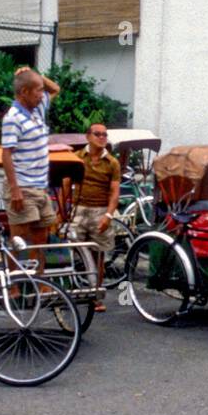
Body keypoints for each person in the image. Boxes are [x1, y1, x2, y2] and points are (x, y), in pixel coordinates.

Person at [1, 65, 61, 261]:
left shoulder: (38, 110)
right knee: (19, 240)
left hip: (40, 187)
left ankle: (41, 284)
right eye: (37, 90)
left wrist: (35, 75)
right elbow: (6, 154)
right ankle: (14, 286)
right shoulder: (13, 118)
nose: (42, 94)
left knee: (41, 240)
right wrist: (14, 189)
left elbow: (56, 89)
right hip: (23, 187)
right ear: (24, 92)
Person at [64, 122, 122, 311]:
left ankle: (96, 296)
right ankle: (68, 293)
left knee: (98, 256)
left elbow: (114, 192)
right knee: (71, 254)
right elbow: (66, 183)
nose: (102, 138)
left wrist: (108, 215)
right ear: (88, 136)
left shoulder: (112, 162)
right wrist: (64, 210)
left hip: (100, 210)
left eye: (105, 135)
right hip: (78, 209)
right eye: (98, 134)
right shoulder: (77, 158)